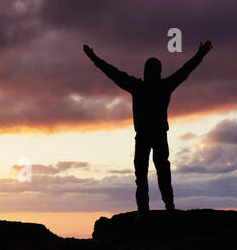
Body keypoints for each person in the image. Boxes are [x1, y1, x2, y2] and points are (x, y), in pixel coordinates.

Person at [82, 40, 213, 212]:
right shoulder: (163, 86)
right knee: (159, 172)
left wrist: (94, 58)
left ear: (146, 72)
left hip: (146, 136)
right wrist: (200, 54)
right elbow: (185, 71)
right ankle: (166, 206)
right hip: (155, 135)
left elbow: (113, 73)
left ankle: (148, 209)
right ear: (158, 72)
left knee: (146, 174)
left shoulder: (139, 86)